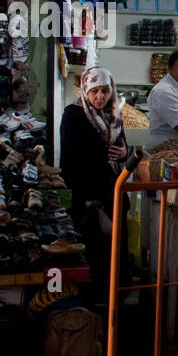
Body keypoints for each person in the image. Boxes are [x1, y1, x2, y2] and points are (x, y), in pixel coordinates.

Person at [59, 67, 129, 313]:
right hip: (88, 200)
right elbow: (70, 160)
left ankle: (113, 305)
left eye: (105, 91)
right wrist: (94, 202)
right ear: (86, 90)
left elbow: (124, 148)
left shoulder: (114, 115)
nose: (100, 97)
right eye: (95, 91)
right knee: (93, 255)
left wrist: (124, 153)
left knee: (114, 256)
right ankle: (88, 311)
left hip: (115, 195)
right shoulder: (73, 115)